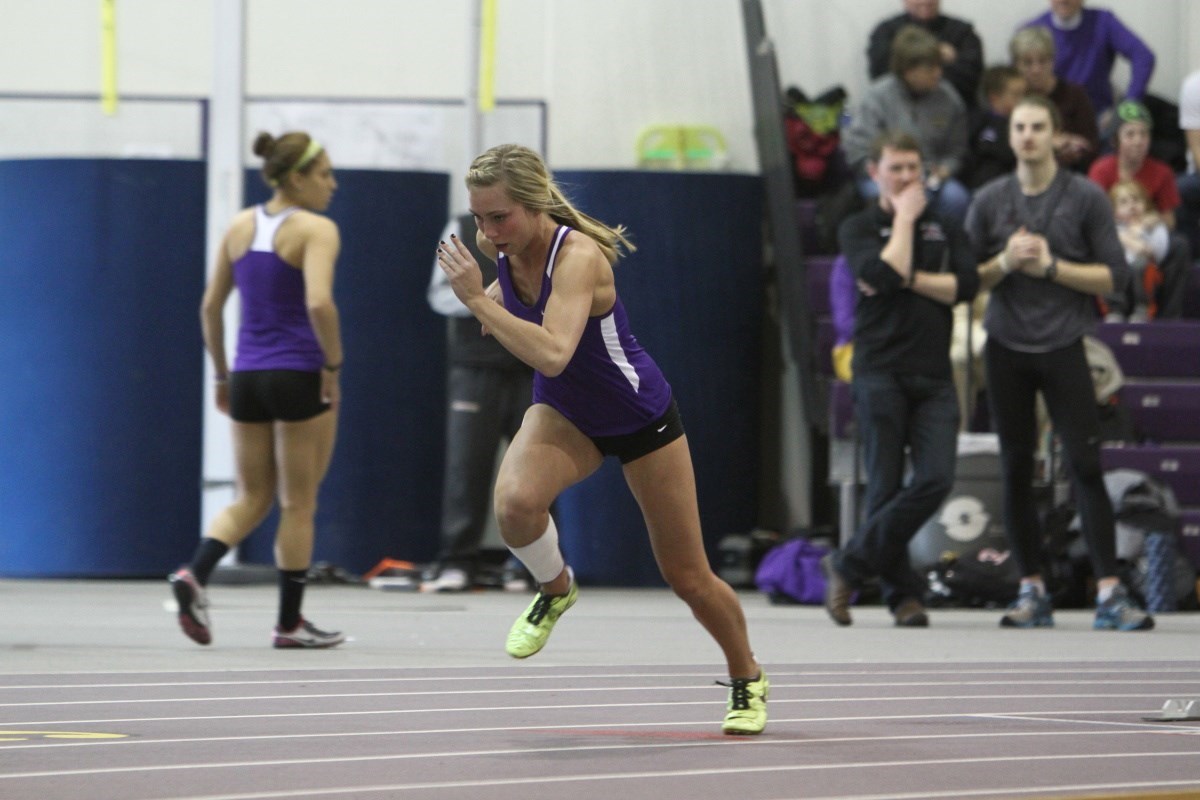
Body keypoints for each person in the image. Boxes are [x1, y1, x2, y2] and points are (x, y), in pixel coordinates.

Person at [435, 144, 767, 735]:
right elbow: (531, 348)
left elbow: (556, 354)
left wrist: (477, 299)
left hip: (638, 413)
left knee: (687, 577)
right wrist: (489, 302)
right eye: (479, 217)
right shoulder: (497, 247)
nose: (487, 231)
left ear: (535, 205)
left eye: (499, 217)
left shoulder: (578, 256)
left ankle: (747, 676)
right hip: (567, 413)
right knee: (514, 505)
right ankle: (555, 588)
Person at [964, 95, 1153, 631]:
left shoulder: (1086, 197)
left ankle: (1109, 592)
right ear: (1010, 136)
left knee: (1085, 466)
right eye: (1019, 126)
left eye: (1037, 127)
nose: (1027, 135)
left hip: (1066, 343)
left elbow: (1114, 277)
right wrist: (1003, 263)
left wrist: (1051, 268)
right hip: (1005, 346)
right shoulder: (990, 200)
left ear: (1054, 134)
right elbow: (964, 279)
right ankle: (1031, 591)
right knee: (1016, 468)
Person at [170, 131, 346, 649]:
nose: (332, 185)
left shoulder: (239, 226)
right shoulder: (316, 230)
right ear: (296, 178)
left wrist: (222, 374)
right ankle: (289, 624)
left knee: (251, 497)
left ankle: (194, 573)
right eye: (324, 175)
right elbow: (318, 302)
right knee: (298, 504)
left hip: (247, 376)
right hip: (299, 373)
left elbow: (209, 307)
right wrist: (332, 364)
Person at [822, 131, 979, 629]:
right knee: (884, 487)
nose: (907, 177)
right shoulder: (858, 225)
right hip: (879, 371)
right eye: (896, 168)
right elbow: (880, 271)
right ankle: (902, 597)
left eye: (914, 168)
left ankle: (848, 563)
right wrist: (906, 221)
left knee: (936, 478)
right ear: (876, 173)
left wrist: (907, 276)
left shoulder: (949, 225)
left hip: (933, 375)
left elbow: (968, 285)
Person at [423, 212, 535, 592]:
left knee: (533, 470)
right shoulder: (458, 226)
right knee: (466, 467)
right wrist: (484, 302)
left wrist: (516, 300)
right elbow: (439, 293)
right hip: (474, 368)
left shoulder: (542, 231)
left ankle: (530, 564)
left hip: (530, 366)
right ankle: (457, 561)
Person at [843, 24, 970, 226]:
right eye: (930, 68)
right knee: (889, 199)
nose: (938, 73)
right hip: (883, 177)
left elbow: (957, 151)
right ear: (908, 71)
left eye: (939, 66)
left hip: (930, 176)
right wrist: (891, 176)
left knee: (956, 198)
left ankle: (945, 254)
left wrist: (945, 170)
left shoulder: (950, 100)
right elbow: (857, 151)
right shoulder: (877, 98)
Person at [1087, 99, 1189, 318]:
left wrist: (1153, 221)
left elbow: (1170, 220)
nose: (1138, 141)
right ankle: (1112, 311)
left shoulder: (1162, 171)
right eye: (1130, 134)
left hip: (1148, 237)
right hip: (1113, 236)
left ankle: (1168, 319)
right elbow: (1094, 222)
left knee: (1180, 246)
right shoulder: (1101, 170)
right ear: (1116, 140)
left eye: (1144, 134)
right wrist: (1130, 241)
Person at [1020, 0, 1155, 122]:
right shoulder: (1031, 32)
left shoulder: (1103, 22)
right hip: (1048, 119)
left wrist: (1129, 105)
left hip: (1098, 118)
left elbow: (1143, 56)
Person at [1010, 26, 1099, 172]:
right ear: (1016, 65)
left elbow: (1091, 146)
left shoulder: (1075, 95)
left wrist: (1073, 148)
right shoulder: (1013, 97)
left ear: (1053, 61)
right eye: (1028, 63)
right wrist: (1052, 143)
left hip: (1070, 172)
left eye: (1043, 61)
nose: (1036, 69)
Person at [867, 0, 984, 109]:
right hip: (899, 112)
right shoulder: (885, 32)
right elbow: (881, 75)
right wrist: (936, 56)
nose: (925, 1)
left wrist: (920, 73)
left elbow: (971, 77)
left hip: (954, 111)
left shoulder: (963, 32)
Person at [1107, 180, 1167, 321]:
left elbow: (1157, 252)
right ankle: (1115, 310)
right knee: (1108, 265)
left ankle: (1142, 309)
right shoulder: (1111, 228)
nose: (1132, 206)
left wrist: (1139, 234)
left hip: (1146, 273)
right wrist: (1123, 236)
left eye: (1136, 200)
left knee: (1141, 264)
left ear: (1145, 204)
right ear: (1114, 210)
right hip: (1120, 273)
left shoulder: (1154, 226)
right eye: (1124, 202)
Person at [963, 65, 1025, 190]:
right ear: (994, 98)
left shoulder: (1024, 124)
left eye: (1024, 94)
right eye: (1016, 95)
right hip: (986, 185)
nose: (1022, 100)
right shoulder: (981, 123)